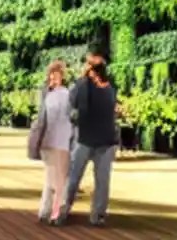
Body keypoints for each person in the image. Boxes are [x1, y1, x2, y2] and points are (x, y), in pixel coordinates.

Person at [60, 50, 118, 227]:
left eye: (96, 63)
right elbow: (70, 107)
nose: (92, 67)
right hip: (84, 138)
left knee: (103, 180)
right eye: (90, 63)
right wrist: (75, 118)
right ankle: (62, 211)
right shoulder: (81, 85)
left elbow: (113, 107)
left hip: (106, 140)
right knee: (73, 178)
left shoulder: (110, 86)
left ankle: (98, 214)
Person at [36, 60, 75, 226]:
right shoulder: (47, 94)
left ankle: (56, 211)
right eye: (52, 75)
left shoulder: (67, 94)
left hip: (63, 139)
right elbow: (42, 119)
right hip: (51, 140)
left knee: (61, 177)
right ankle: (48, 210)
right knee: (52, 176)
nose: (54, 78)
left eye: (57, 75)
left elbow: (71, 116)